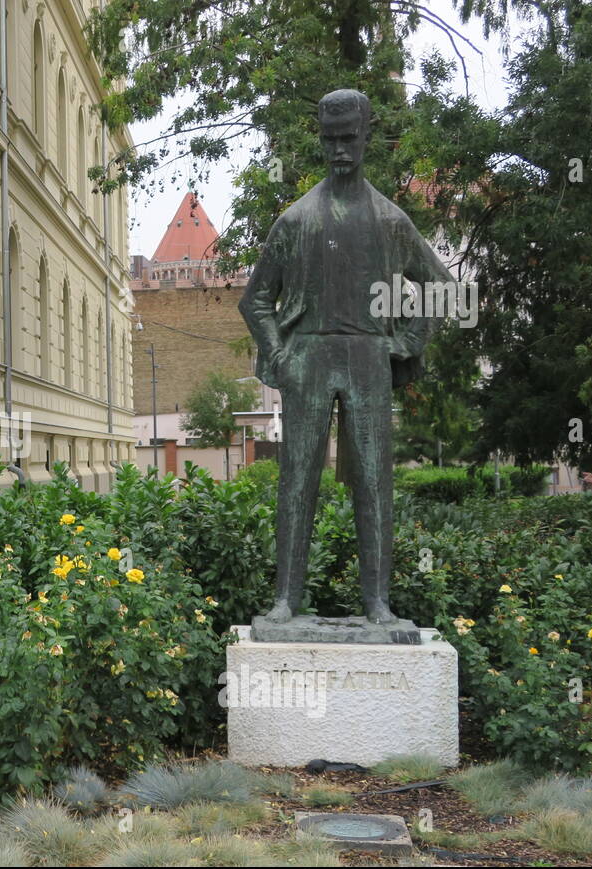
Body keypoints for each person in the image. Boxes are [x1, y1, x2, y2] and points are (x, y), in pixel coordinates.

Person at [240, 89, 455, 625]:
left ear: (365, 137)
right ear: (321, 139)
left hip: (366, 356)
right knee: (297, 480)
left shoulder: (389, 220)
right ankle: (286, 599)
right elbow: (256, 300)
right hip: (308, 356)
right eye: (330, 139)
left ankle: (377, 602)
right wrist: (280, 356)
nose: (340, 150)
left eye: (349, 138)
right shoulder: (297, 219)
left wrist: (404, 342)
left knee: (375, 481)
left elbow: (442, 288)